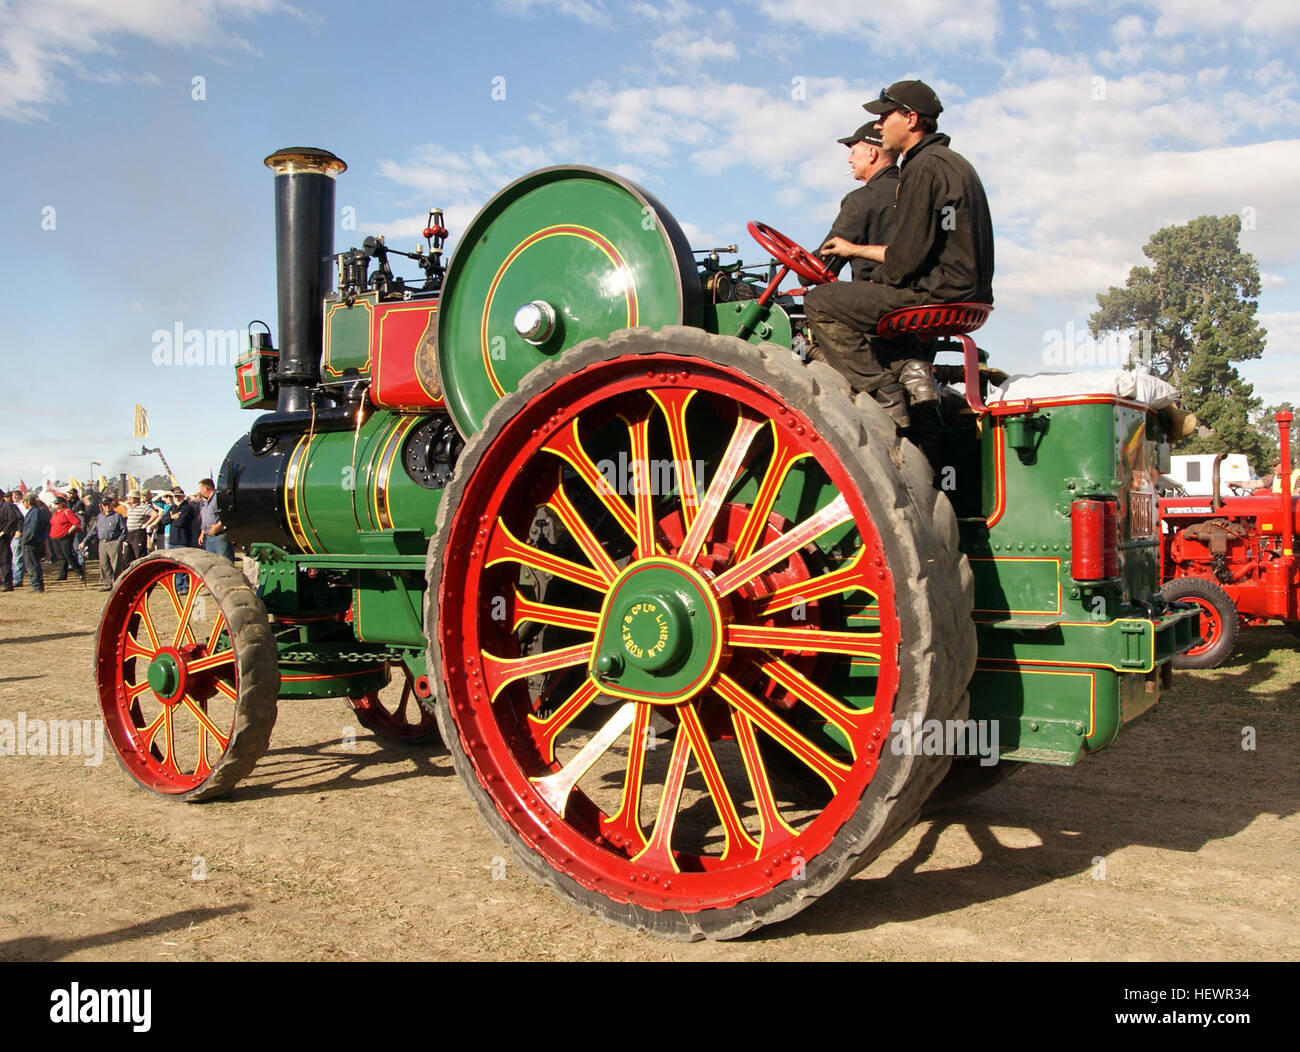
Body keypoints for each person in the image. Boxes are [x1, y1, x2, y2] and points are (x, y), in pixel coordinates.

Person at [806, 79, 994, 429]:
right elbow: (920, 248)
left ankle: (884, 393)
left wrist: (872, 275)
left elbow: (906, 259)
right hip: (969, 293)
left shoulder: (922, 167)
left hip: (938, 291)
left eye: (884, 116)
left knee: (821, 301)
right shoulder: (953, 162)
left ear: (910, 119)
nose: (878, 125)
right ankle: (911, 372)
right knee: (859, 297)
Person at [818, 122, 899, 283]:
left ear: (871, 154)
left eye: (854, 152)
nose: (849, 159)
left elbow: (825, 263)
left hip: (876, 296)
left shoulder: (861, 199)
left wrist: (797, 264)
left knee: (816, 299)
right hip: (914, 293)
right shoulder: (914, 188)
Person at [94, 495, 127, 591]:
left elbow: (124, 530)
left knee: (116, 564)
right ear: (102, 506)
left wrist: (119, 542)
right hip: (102, 543)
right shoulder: (99, 517)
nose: (106, 507)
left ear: (111, 505)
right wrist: (84, 541)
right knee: (104, 564)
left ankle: (117, 583)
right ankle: (107, 584)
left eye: (108, 504)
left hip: (114, 541)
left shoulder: (117, 516)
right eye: (104, 505)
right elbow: (94, 530)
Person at [48, 496, 85, 581]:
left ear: (62, 504)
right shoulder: (55, 513)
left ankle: (79, 572)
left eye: (57, 503)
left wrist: (69, 531)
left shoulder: (67, 511)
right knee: (61, 557)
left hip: (65, 537)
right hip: (55, 536)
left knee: (68, 555)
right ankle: (62, 574)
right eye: (55, 504)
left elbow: (76, 522)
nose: (56, 505)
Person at [20, 493, 50, 592]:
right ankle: (37, 585)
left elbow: (32, 529)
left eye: (23, 501)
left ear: (28, 502)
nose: (23, 503)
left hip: (32, 543)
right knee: (34, 564)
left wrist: (24, 541)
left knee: (32, 564)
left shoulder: (35, 513)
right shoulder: (36, 512)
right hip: (35, 541)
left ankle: (36, 586)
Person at [197, 479, 233, 560]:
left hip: (220, 536)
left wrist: (219, 525)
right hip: (209, 537)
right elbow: (205, 517)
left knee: (224, 561)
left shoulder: (218, 498)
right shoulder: (205, 501)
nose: (200, 491)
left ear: (206, 488)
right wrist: (202, 533)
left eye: (200, 488)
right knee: (211, 562)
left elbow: (228, 512)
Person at [123, 490, 152, 565]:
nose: (128, 498)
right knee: (127, 557)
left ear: (136, 498)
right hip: (129, 534)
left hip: (138, 533)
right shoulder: (129, 507)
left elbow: (155, 514)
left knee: (139, 556)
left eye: (131, 497)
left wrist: (146, 524)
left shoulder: (142, 507)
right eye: (128, 497)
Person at [0, 491, 22, 590]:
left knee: (4, 560)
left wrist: (4, 531)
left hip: (3, 538)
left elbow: (15, 518)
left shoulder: (7, 506)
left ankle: (7, 584)